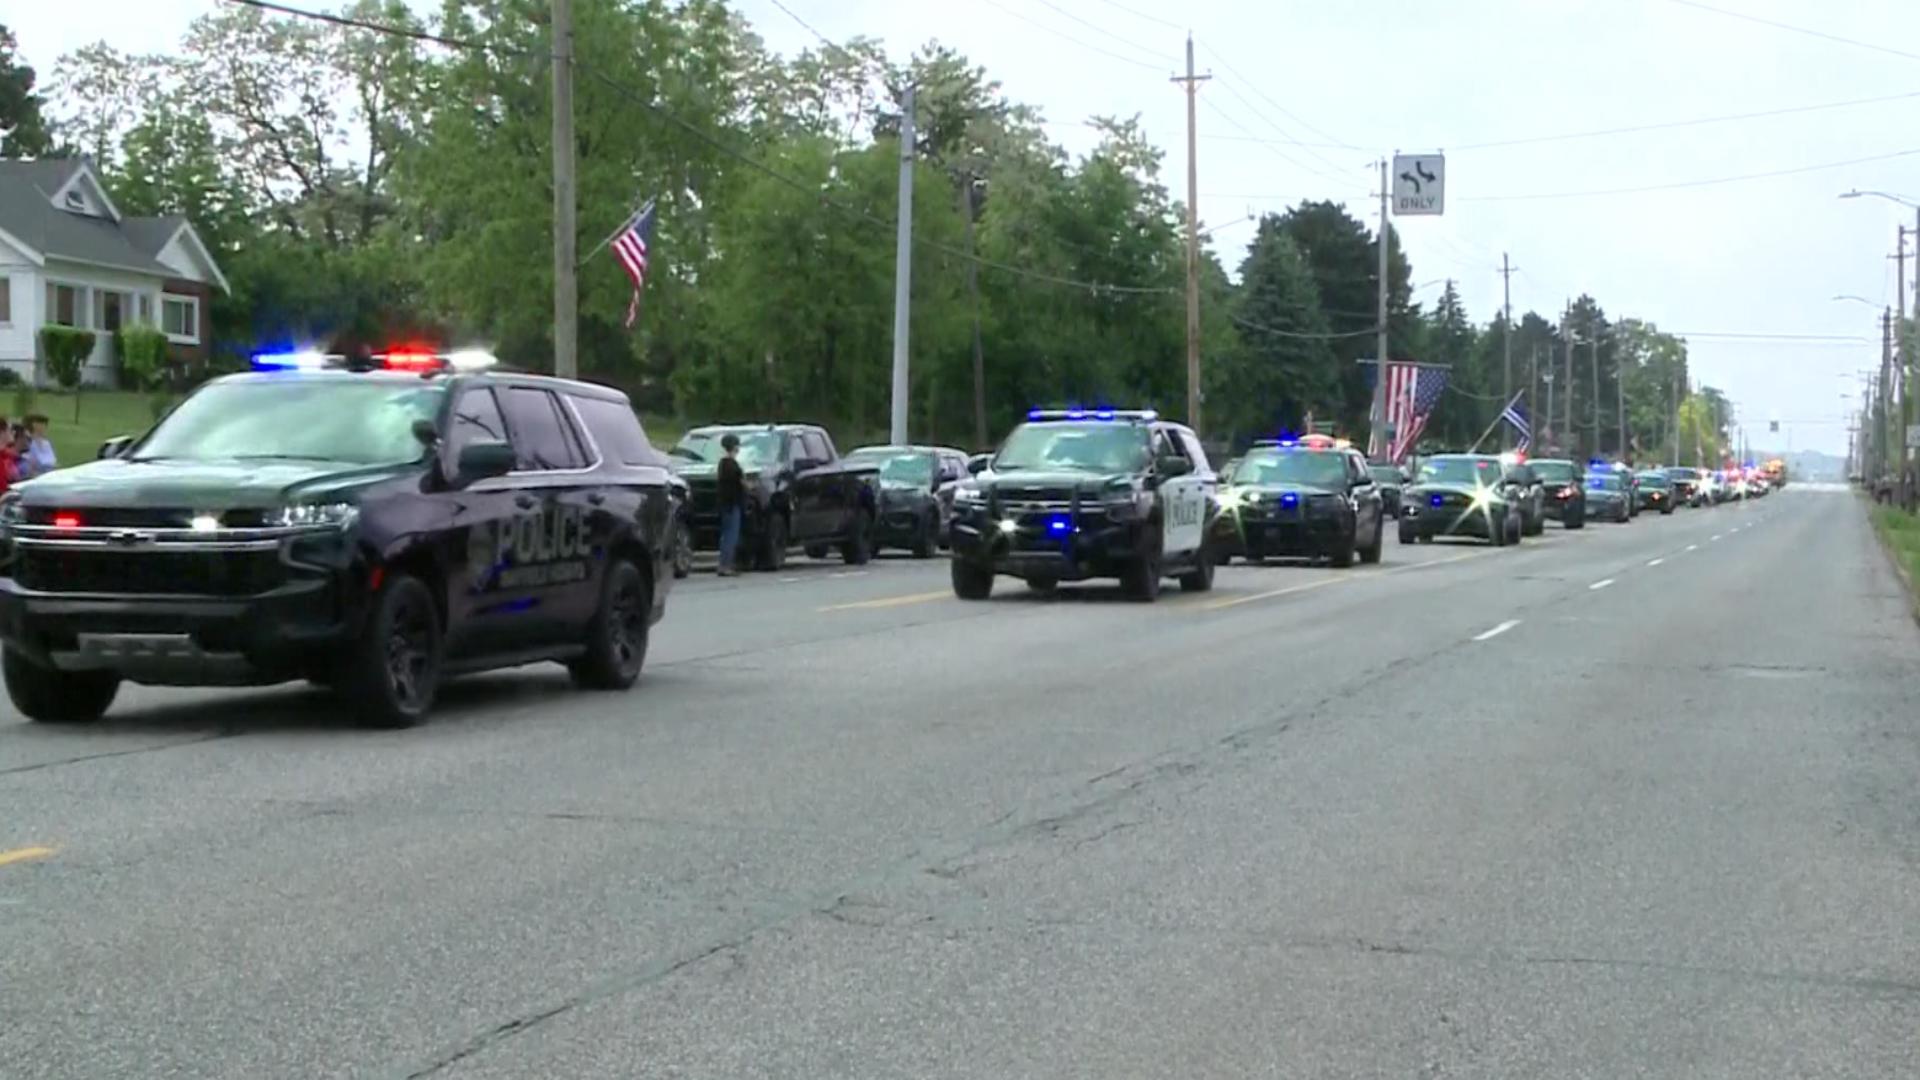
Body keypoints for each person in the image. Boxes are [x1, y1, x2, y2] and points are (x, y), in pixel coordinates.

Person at [716, 432, 744, 576]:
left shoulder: (722, 464)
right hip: (732, 504)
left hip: (724, 504)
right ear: (734, 447)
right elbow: (740, 483)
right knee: (731, 535)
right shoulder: (732, 465)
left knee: (726, 534)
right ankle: (726, 565)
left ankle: (723, 564)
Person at [15, 414, 54, 480]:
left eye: (45, 424)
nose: (44, 427)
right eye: (41, 424)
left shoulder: (47, 444)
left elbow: (51, 462)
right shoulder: (26, 443)